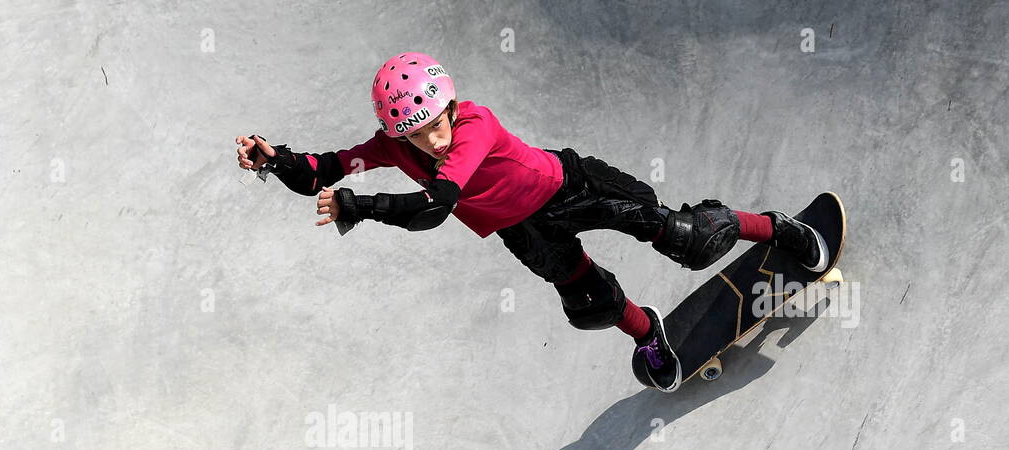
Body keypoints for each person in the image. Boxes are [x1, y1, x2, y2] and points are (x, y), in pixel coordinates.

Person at [235, 52, 828, 392]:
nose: (436, 141)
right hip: (526, 230)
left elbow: (435, 208)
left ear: (450, 104)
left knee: (689, 241)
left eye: (438, 122)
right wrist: (277, 160)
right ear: (399, 134)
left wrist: (360, 207)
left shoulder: (475, 126)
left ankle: (773, 228)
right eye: (418, 135)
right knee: (591, 305)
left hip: (574, 188)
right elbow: (325, 169)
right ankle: (650, 335)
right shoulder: (395, 148)